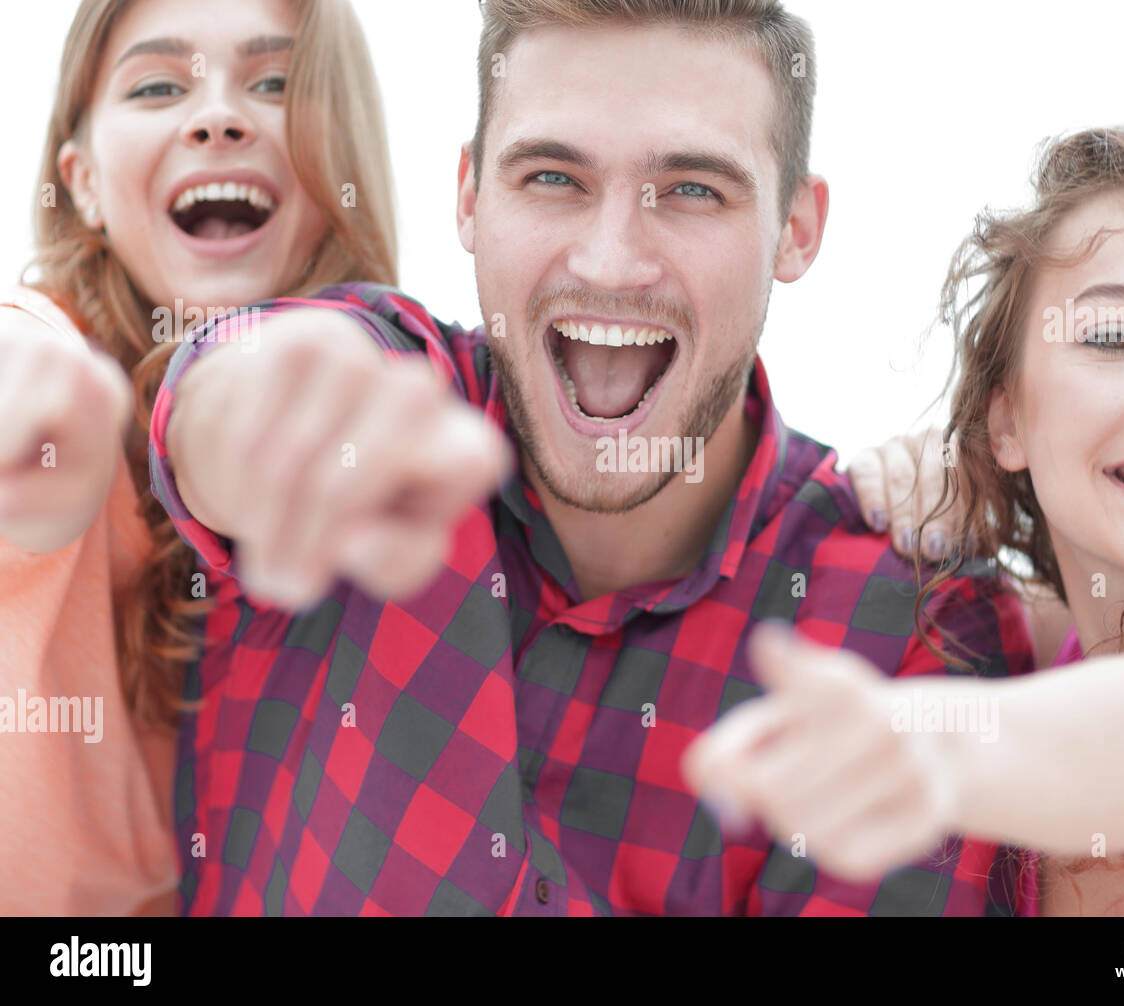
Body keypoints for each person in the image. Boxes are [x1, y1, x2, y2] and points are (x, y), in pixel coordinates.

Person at [149, 0, 1034, 915]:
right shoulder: (387, 398)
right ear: (469, 196)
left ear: (796, 229)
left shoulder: (918, 627)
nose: (611, 264)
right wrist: (256, 421)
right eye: (551, 177)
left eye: (693, 190)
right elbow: (233, 392)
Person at [684, 124, 1124, 915]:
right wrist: (920, 492)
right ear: (1005, 420)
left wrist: (933, 747)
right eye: (1114, 338)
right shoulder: (1033, 649)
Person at [0, 0, 402, 914]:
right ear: (86, 182)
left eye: (273, 83)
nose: (219, 115)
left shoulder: (384, 406)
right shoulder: (49, 356)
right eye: (156, 86)